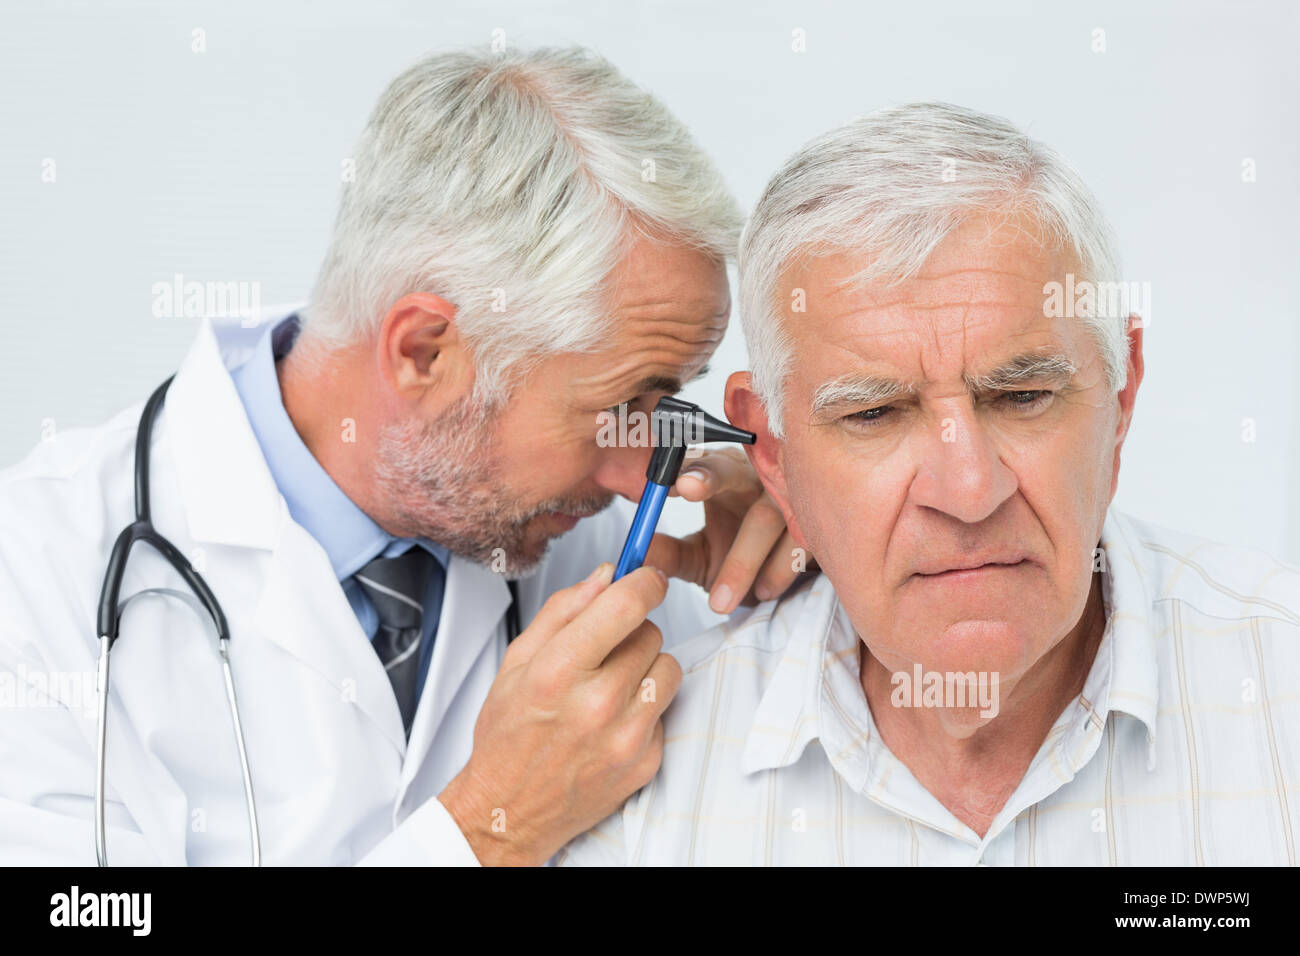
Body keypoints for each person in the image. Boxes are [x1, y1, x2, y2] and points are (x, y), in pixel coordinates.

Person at [0, 47, 809, 866]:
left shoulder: (644, 548)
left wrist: (811, 520)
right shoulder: (34, 584)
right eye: (620, 409)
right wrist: (490, 830)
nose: (643, 480)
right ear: (423, 351)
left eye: (663, 409)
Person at [558, 102, 1300, 866]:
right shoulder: (629, 781)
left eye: (1022, 397)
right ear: (773, 452)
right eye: (874, 413)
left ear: (1120, 397)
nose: (970, 490)